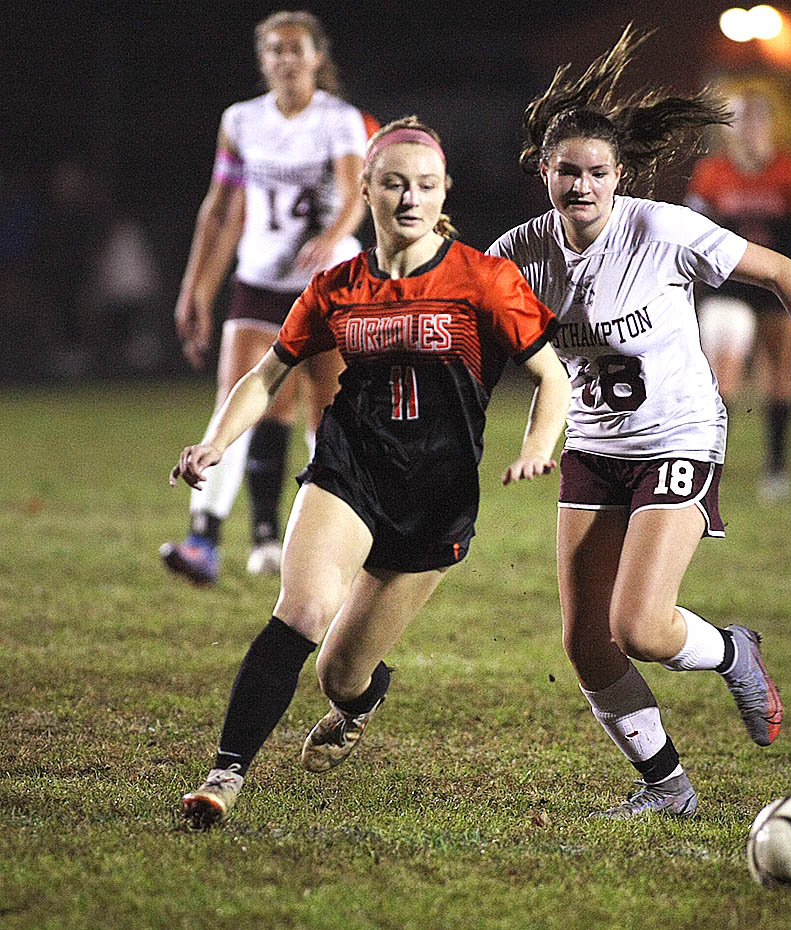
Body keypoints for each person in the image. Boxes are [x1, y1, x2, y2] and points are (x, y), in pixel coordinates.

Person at [488, 26, 791, 819]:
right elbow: (469, 325)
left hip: (680, 436)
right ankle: (668, 790)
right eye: (565, 172)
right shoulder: (517, 252)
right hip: (593, 445)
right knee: (586, 646)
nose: (581, 186)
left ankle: (733, 651)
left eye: (595, 173)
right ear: (542, 171)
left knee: (642, 626)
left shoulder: (661, 229)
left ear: (621, 175)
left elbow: (785, 269)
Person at [175, 117, 570, 828]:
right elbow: (268, 376)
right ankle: (224, 776)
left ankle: (361, 697)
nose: (409, 198)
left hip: (437, 496)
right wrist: (215, 443)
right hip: (349, 470)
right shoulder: (335, 286)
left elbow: (551, 374)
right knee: (299, 613)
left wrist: (540, 443)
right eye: (393, 184)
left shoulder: (485, 279)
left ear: (444, 189)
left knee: (339, 674)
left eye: (424, 185)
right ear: (366, 189)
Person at [161, 11, 380, 585]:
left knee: (329, 414)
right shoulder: (241, 120)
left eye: (295, 49)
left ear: (316, 56)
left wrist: (331, 239)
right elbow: (220, 208)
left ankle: (333, 541)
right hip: (259, 279)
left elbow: (358, 190)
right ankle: (203, 540)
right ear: (263, 60)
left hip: (329, 280)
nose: (285, 59)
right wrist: (195, 288)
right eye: (275, 51)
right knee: (236, 400)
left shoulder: (340, 120)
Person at [685, 89, 791, 503]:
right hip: (728, 285)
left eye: (755, 120)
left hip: (773, 285)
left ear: (769, 124)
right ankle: (706, 467)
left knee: (779, 375)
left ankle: (776, 468)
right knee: (720, 376)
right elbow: (691, 233)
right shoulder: (712, 173)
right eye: (740, 121)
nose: (749, 129)